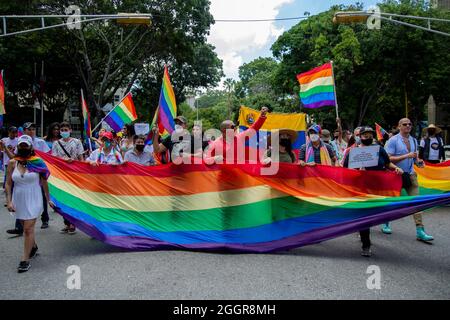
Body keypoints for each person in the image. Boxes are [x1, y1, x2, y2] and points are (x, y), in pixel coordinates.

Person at [343, 126, 404, 257]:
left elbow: (388, 164)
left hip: (377, 189)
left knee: (374, 213)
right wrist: (357, 171)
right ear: (360, 137)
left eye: (370, 135)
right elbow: (345, 170)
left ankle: (363, 229)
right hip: (361, 189)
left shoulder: (380, 150)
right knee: (364, 215)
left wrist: (396, 168)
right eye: (365, 135)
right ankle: (366, 244)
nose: (368, 137)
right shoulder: (353, 152)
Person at [5, 135, 54, 273]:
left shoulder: (38, 162)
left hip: (34, 197)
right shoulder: (13, 163)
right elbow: (8, 184)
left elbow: (44, 183)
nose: (23, 148)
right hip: (18, 198)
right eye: (21, 145)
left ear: (31, 147)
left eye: (26, 145)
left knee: (28, 229)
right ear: (18, 147)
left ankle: (24, 260)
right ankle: (33, 246)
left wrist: (48, 199)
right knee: (24, 225)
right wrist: (8, 201)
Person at [383, 118, 434, 242]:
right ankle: (386, 223)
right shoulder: (393, 141)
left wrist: (419, 162)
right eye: (405, 124)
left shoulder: (414, 140)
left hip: (411, 175)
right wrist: (407, 155)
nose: (408, 126)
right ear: (399, 126)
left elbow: (414, 158)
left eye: (410, 124)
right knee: (392, 202)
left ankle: (420, 230)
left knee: (416, 203)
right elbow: (387, 159)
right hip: (396, 175)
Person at [4, 122, 51, 235]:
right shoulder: (20, 142)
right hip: (21, 173)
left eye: (33, 129)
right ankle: (20, 227)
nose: (31, 131)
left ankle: (44, 218)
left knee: (41, 196)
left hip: (35, 174)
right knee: (19, 200)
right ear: (24, 131)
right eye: (29, 129)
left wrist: (38, 164)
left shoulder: (40, 142)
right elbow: (15, 157)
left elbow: (48, 156)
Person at [51, 122, 84, 234]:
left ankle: (72, 223)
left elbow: (81, 158)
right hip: (61, 174)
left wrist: (83, 172)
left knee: (73, 199)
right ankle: (67, 223)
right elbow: (54, 159)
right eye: (62, 130)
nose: (64, 131)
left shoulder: (77, 142)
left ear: (70, 130)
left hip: (74, 174)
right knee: (63, 199)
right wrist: (64, 160)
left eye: (66, 129)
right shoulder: (56, 143)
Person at [204, 107, 268, 164]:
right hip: (224, 176)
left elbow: (254, 128)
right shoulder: (215, 143)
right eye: (232, 127)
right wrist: (214, 159)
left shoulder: (240, 137)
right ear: (224, 130)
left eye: (235, 126)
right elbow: (206, 159)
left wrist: (262, 116)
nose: (235, 128)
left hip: (241, 174)